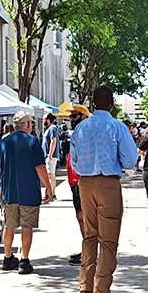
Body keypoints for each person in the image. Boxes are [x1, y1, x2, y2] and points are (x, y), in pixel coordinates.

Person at [70, 85, 137, 293]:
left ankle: (85, 290)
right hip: (108, 183)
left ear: (93, 103)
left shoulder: (81, 128)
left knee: (90, 237)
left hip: (85, 183)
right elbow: (129, 160)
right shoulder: (117, 127)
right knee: (108, 242)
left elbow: (74, 161)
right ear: (111, 103)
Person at [0, 111, 53, 275]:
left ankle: (7, 258)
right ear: (28, 125)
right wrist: (48, 187)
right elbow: (40, 167)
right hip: (29, 191)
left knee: (9, 225)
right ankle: (24, 261)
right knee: (27, 226)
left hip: (9, 191)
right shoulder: (33, 141)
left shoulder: (4, 141)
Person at [66, 105, 90, 265]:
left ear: (83, 116)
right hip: (76, 180)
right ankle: (87, 249)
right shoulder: (79, 132)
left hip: (81, 180)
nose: (71, 120)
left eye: (74, 116)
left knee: (83, 217)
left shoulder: (85, 132)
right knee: (81, 217)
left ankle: (89, 251)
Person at [42, 113, 60, 202]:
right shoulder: (50, 128)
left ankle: (52, 193)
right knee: (50, 174)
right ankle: (51, 192)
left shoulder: (52, 128)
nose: (43, 121)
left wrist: (50, 154)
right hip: (49, 155)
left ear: (48, 120)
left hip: (51, 155)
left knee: (50, 174)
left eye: (44, 119)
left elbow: (53, 140)